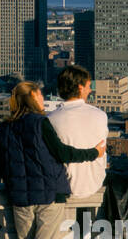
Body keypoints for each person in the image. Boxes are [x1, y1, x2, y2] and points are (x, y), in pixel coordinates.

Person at [0, 80, 104, 239]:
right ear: (32, 96)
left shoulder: (5, 128)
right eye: (40, 93)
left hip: (20, 198)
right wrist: (93, 153)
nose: (43, 98)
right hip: (49, 197)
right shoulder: (41, 123)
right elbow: (63, 153)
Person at [45, 65, 109, 199]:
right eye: (88, 86)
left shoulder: (50, 119)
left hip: (65, 185)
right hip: (95, 183)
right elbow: (102, 152)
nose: (90, 90)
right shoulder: (100, 115)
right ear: (80, 87)